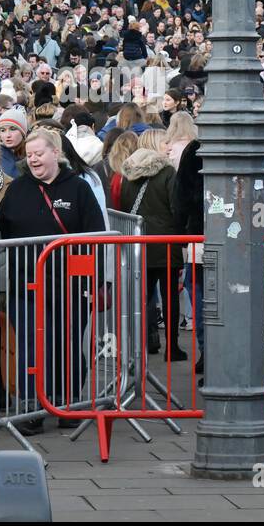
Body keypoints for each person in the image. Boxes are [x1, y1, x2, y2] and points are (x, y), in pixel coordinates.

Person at [0, 127, 104, 435]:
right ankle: (33, 407)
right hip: (26, 285)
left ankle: (67, 403)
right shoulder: (17, 189)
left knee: (67, 344)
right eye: (29, 155)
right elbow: (2, 230)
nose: (33, 160)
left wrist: (92, 281)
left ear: (55, 153)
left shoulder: (79, 189)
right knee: (32, 346)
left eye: (39, 154)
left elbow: (94, 234)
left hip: (70, 285)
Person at [114, 137, 182, 360]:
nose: (169, 146)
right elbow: (176, 207)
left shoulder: (128, 174)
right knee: (170, 297)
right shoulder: (168, 173)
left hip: (138, 243)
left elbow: (124, 207)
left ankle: (138, 345)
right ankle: (172, 347)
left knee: (141, 298)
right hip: (166, 244)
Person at [0, 106, 28, 177]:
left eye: (13, 129)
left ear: (23, 132)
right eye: (2, 130)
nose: (8, 135)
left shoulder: (33, 154)